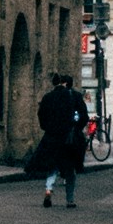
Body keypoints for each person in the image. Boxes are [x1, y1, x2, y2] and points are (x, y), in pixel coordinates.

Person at [36, 72, 92, 210]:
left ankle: (49, 190)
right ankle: (70, 199)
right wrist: (76, 129)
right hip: (69, 139)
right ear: (68, 84)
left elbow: (41, 115)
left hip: (52, 137)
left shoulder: (48, 96)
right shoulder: (75, 96)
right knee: (70, 169)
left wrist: (47, 128)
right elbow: (84, 116)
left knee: (53, 167)